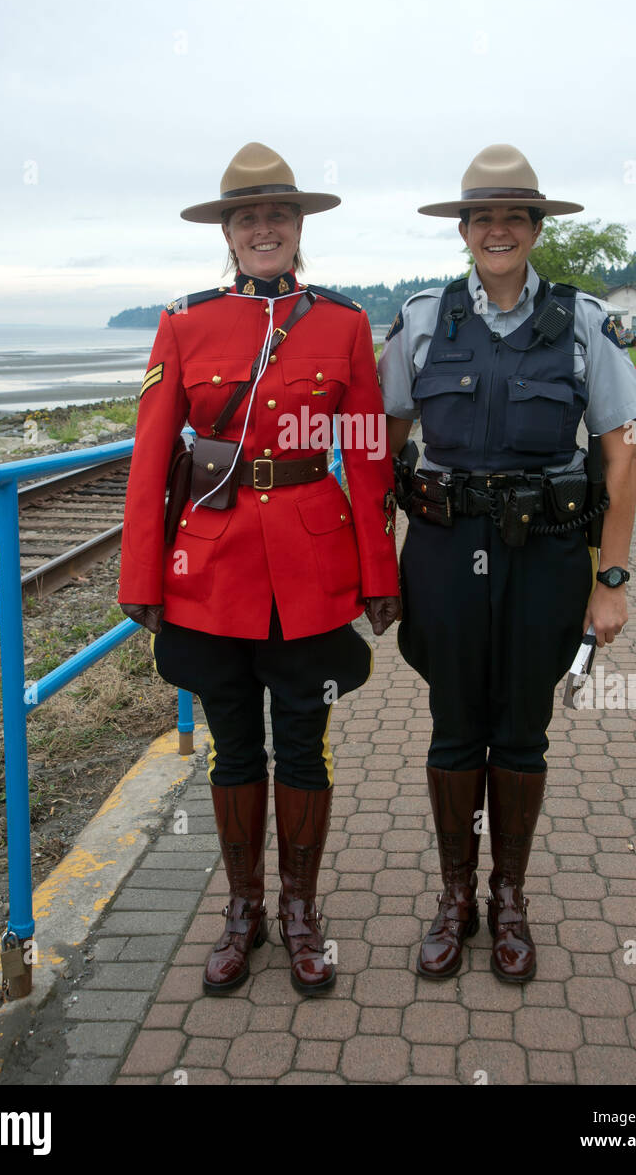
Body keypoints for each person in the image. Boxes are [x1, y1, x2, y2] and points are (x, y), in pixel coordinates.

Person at [118, 142, 401, 995]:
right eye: (248, 218)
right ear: (230, 234)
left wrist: (376, 571)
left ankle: (301, 911)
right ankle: (242, 910)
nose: (264, 228)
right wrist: (141, 580)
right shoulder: (185, 322)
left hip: (311, 568)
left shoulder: (343, 323)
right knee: (234, 749)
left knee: (304, 748)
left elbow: (368, 452)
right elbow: (149, 456)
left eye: (277, 214)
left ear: (298, 226)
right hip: (212, 569)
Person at [378, 143, 636, 984]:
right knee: (454, 725)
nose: (497, 230)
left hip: (545, 558)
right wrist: (374, 568)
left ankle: (510, 899)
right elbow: (382, 451)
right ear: (462, 231)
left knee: (522, 734)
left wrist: (609, 581)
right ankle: (453, 897)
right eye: (482, 217)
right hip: (443, 549)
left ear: (535, 229)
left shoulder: (578, 322)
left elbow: (620, 455)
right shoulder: (422, 321)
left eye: (513, 217)